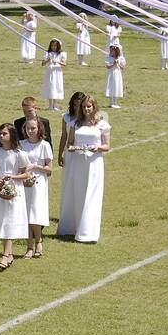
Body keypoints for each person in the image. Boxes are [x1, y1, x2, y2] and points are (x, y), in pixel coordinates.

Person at [58, 95, 111, 244]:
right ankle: (73, 227)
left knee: (91, 195)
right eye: (84, 107)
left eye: (89, 106)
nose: (86, 109)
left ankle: (88, 232)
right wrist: (74, 148)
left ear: (94, 107)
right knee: (77, 193)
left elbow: (107, 146)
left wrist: (97, 147)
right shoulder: (76, 124)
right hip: (78, 161)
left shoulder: (102, 124)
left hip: (94, 163)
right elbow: (70, 143)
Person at [0, 123, 31, 270]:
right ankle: (9, 254)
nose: (1, 136)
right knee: (2, 222)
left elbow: (26, 173)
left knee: (10, 222)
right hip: (0, 191)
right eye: (0, 134)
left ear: (12, 135)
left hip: (14, 191)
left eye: (5, 134)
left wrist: (12, 177)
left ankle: (5, 255)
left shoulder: (19, 154)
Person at [19, 117, 52, 258]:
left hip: (39, 182)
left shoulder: (44, 145)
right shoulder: (21, 144)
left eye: (33, 128)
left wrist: (36, 166)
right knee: (25, 213)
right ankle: (29, 245)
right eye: (28, 128)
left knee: (35, 212)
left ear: (39, 129)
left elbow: (49, 169)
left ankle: (38, 241)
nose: (30, 131)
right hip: (24, 182)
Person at [41, 39, 66, 111]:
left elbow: (64, 64)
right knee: (50, 86)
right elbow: (43, 64)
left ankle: (55, 105)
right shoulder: (47, 53)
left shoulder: (62, 54)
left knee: (56, 86)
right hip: (50, 72)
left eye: (55, 46)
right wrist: (48, 59)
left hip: (57, 72)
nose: (53, 47)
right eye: (52, 46)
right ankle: (50, 105)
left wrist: (57, 61)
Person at [104, 44, 125, 108]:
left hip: (117, 74)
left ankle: (115, 102)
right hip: (111, 74)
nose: (110, 52)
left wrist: (118, 63)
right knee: (111, 86)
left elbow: (122, 68)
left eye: (112, 51)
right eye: (110, 51)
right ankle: (111, 102)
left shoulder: (121, 58)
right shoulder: (108, 58)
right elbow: (108, 66)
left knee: (116, 86)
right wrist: (113, 63)